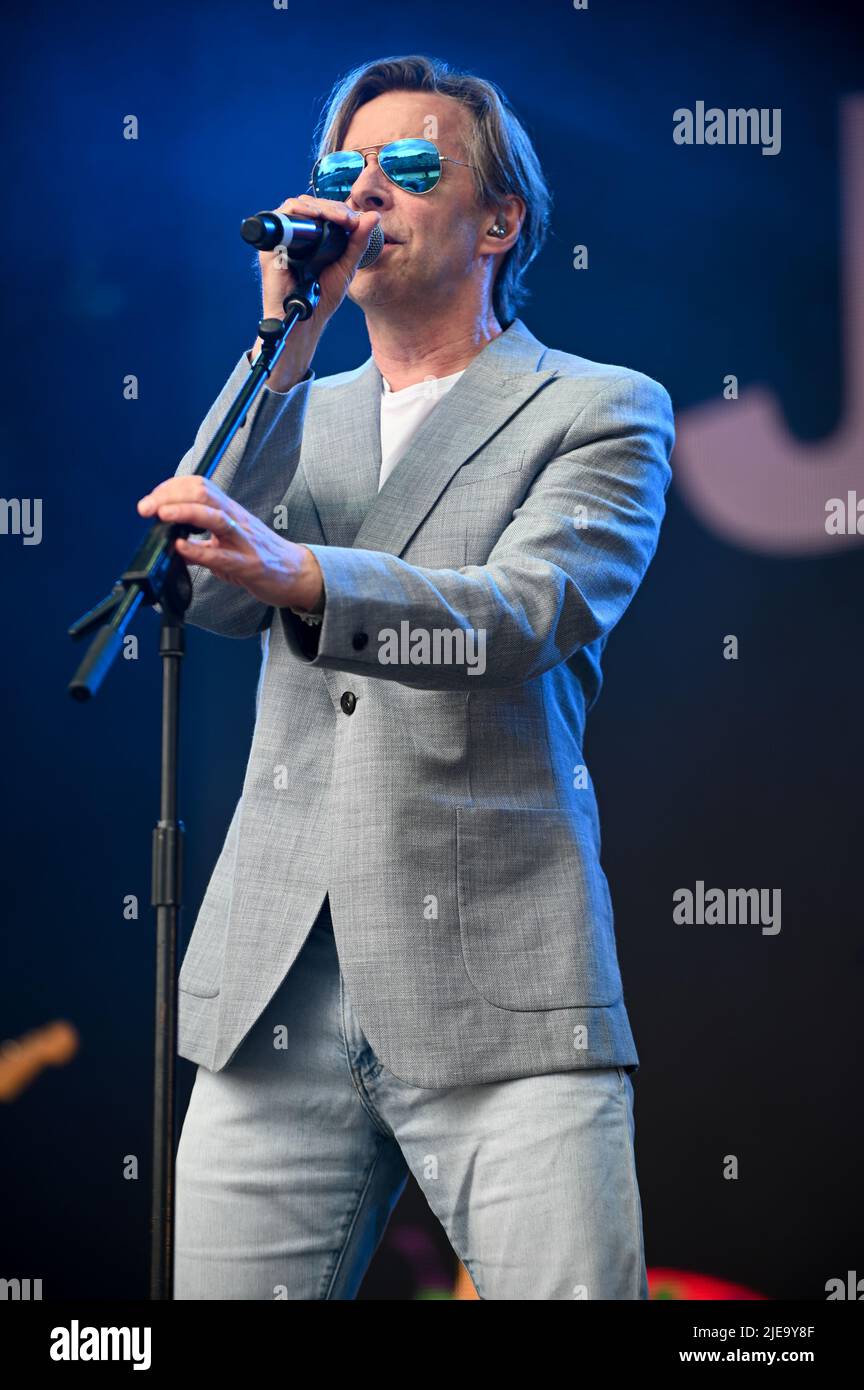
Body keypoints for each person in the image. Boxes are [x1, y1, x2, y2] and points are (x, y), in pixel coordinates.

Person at [138, 53, 675, 1300]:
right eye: (342, 172)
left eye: (412, 167)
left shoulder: (599, 408)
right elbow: (207, 586)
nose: (365, 193)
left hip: (502, 979)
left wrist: (310, 574)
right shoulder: (298, 403)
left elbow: (527, 612)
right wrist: (287, 337)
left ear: (500, 222)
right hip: (277, 981)